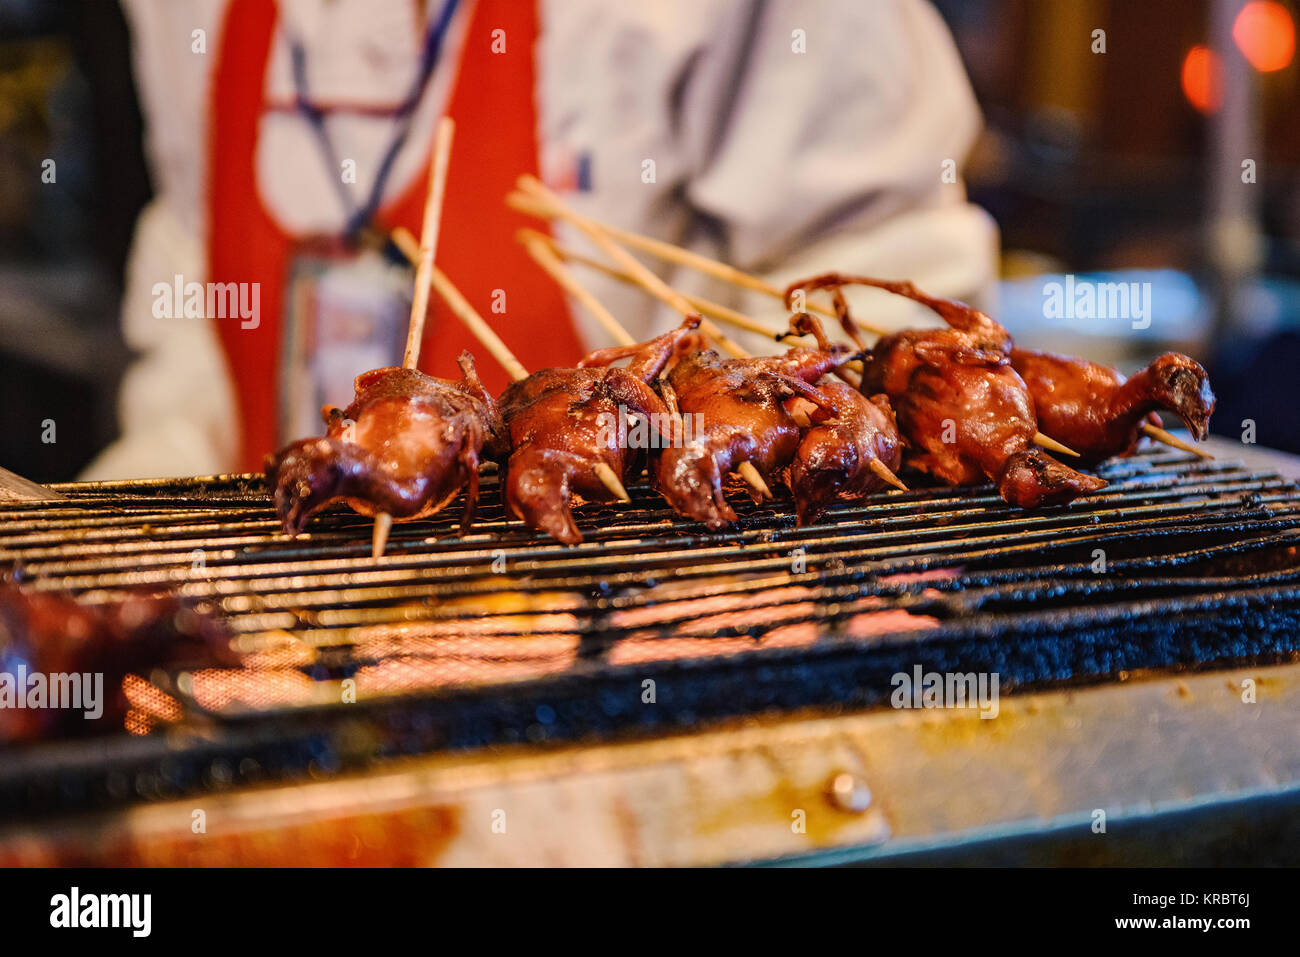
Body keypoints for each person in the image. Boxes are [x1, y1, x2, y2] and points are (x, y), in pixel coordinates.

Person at [83, 0, 996, 479]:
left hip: (619, 649)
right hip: (275, 654)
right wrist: (148, 495)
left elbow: (885, 265)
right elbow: (192, 248)